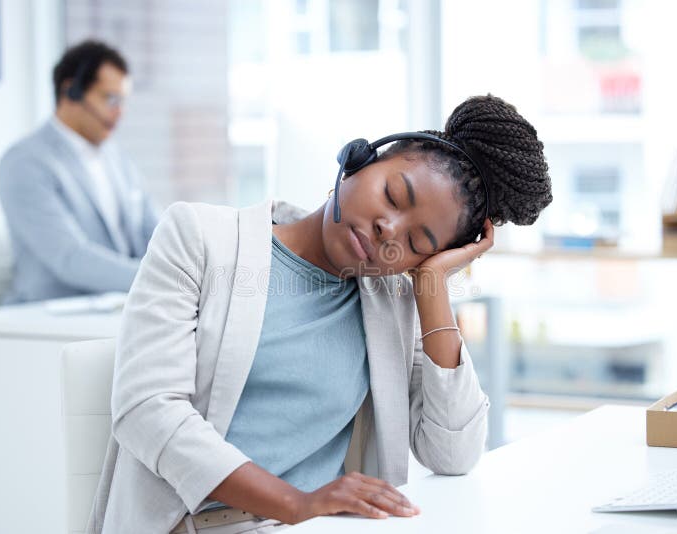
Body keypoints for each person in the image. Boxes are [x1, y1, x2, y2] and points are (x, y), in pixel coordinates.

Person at [87, 95, 553, 534]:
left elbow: (453, 453)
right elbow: (147, 410)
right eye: (393, 195)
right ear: (361, 159)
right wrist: (297, 503)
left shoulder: (392, 301)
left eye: (415, 243)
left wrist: (432, 286)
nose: (388, 229)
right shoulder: (199, 238)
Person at [0, 40, 158, 304]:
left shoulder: (118, 159)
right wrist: (157, 280)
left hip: (118, 308)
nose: (120, 113)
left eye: (123, 101)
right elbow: (69, 257)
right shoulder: (25, 162)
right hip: (50, 313)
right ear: (71, 92)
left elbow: (154, 233)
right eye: (111, 99)